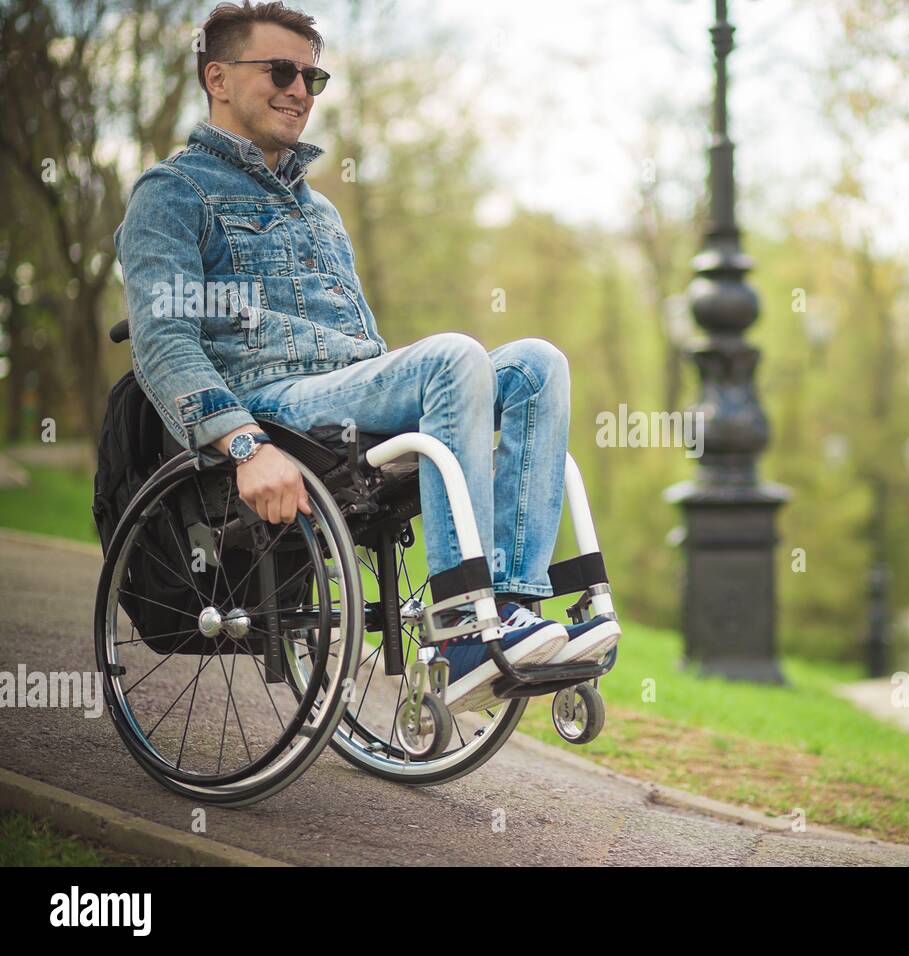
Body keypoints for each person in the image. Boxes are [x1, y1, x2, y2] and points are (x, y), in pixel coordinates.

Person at [113, 1, 618, 713]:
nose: (299, 90)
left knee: (537, 363)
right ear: (218, 77)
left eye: (312, 78)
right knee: (453, 357)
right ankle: (459, 627)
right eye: (280, 71)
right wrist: (244, 443)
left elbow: (366, 348)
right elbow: (163, 345)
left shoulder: (320, 211)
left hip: (346, 392)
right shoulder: (171, 193)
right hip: (272, 403)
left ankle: (512, 607)